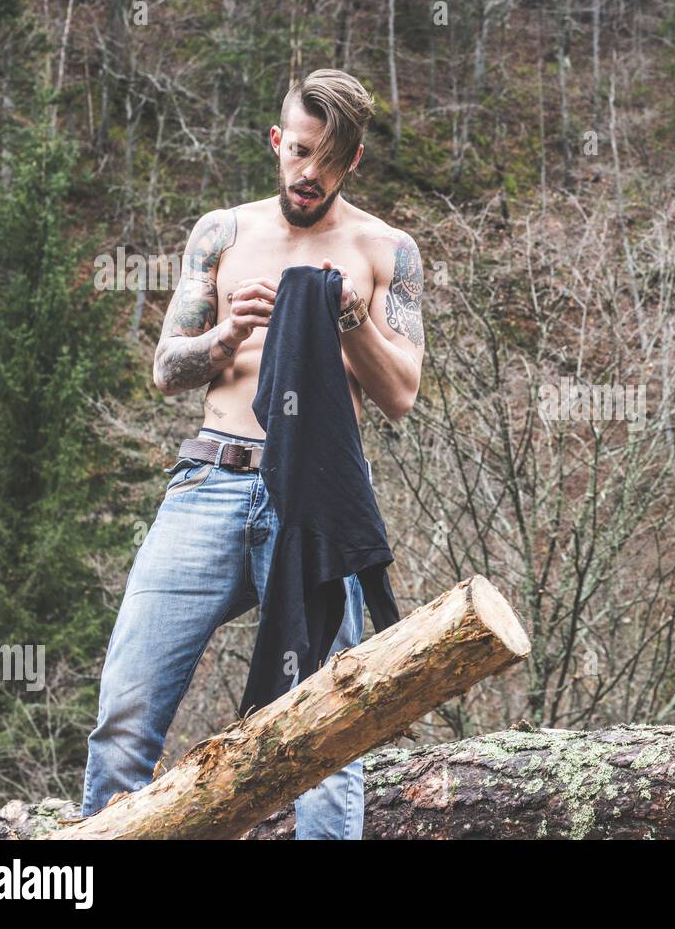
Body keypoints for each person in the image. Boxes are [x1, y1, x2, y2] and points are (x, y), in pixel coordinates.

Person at [80, 68, 425, 839]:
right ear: (277, 141)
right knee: (127, 707)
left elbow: (401, 394)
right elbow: (166, 368)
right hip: (208, 478)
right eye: (299, 152)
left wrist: (355, 321)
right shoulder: (223, 232)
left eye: (329, 161)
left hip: (316, 494)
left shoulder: (386, 249)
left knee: (326, 727)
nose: (310, 175)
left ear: (354, 161)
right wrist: (227, 335)